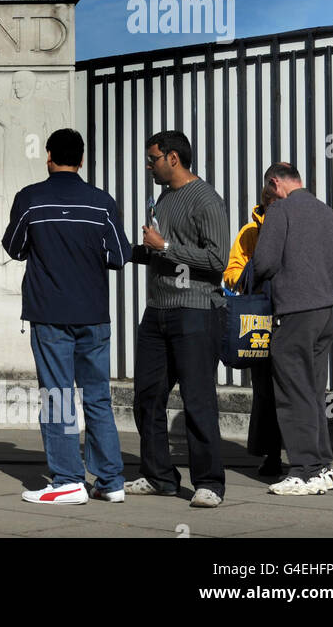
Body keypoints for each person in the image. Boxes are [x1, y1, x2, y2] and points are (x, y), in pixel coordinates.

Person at [2, 129, 132, 505]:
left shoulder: (30, 199)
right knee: (98, 399)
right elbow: (119, 257)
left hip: (50, 314)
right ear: (82, 159)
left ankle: (68, 479)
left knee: (58, 396)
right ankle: (110, 480)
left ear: (48, 156)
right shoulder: (102, 202)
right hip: (94, 315)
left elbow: (14, 248)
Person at [128, 131, 229, 507]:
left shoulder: (206, 200)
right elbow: (164, 255)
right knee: (147, 398)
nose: (148, 165)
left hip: (197, 312)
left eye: (152, 159)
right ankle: (159, 476)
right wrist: (135, 252)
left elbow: (218, 261)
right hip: (157, 312)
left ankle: (209, 483)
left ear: (173, 158)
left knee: (197, 399)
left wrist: (165, 247)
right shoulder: (164, 197)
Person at [251, 162, 333, 495]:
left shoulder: (280, 211)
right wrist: (319, 286)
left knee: (292, 392)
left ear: (275, 183)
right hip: (326, 312)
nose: (268, 195)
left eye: (269, 189)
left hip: (294, 313)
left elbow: (264, 262)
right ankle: (323, 467)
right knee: (312, 391)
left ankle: (303, 471)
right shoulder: (327, 213)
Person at [222, 185, 283, 477]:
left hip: (291, 317)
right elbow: (231, 274)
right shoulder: (250, 232)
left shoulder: (297, 226)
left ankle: (303, 454)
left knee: (295, 389)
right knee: (265, 390)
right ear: (267, 202)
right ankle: (271, 454)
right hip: (260, 317)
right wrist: (254, 273)